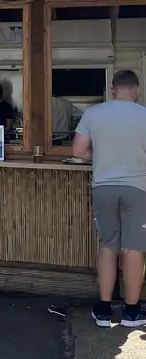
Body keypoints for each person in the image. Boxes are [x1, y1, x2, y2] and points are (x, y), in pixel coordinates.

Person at [73, 69, 146, 328]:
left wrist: (100, 156)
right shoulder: (144, 115)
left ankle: (103, 310)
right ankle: (132, 312)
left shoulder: (94, 113)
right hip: (138, 188)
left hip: (103, 186)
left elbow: (79, 150)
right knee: (134, 249)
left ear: (113, 89)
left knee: (108, 246)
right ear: (136, 90)